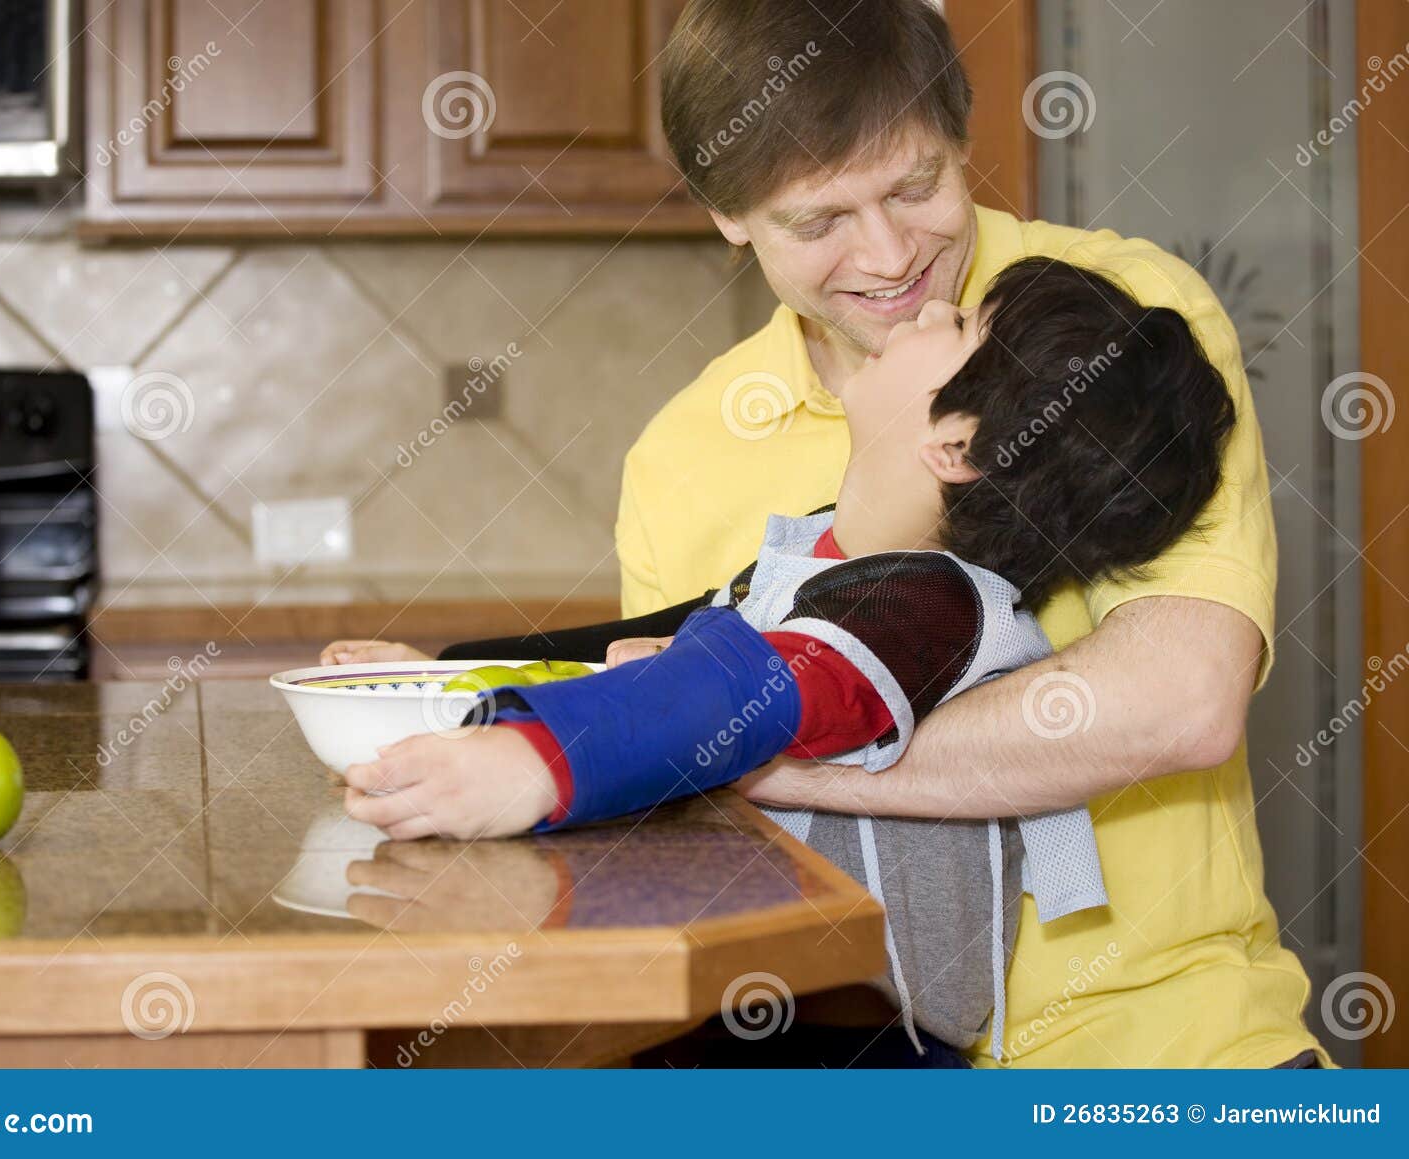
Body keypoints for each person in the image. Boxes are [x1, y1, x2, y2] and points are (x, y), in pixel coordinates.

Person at [332, 0, 1326, 1070]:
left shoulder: (1102, 334)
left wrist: (716, 754)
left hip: (1172, 1050)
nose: (896, 261)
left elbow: (1179, 705)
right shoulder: (687, 454)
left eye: (916, 186)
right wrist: (448, 683)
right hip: (851, 1051)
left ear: (962, 138)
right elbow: (657, 672)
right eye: (820, 221)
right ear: (727, 214)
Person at [327, 256, 1233, 1065]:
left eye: (956, 325)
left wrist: (533, 763)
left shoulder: (930, 604)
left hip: (848, 1055)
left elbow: (748, 687)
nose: (923, 313)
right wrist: (449, 671)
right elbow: (668, 637)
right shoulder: (838, 565)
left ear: (954, 447)